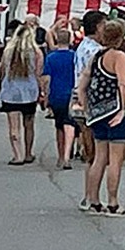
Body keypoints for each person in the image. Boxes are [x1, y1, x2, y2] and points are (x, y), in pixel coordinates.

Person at [78, 18, 125, 215]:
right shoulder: (119, 56)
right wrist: (122, 109)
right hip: (114, 111)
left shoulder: (96, 56)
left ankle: (93, 199)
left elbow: (83, 82)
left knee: (99, 157)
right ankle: (113, 201)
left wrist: (86, 106)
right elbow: (123, 83)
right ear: (120, 38)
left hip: (97, 113)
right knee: (115, 159)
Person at [0, 23, 43, 165]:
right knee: (29, 124)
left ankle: (18, 155)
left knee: (14, 126)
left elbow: (2, 71)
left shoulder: (8, 51)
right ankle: (28, 153)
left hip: (11, 92)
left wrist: (1, 87)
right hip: (29, 92)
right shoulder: (36, 53)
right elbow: (38, 74)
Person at [43, 25, 80, 168]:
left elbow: (46, 78)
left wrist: (46, 96)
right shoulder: (74, 56)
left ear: (57, 40)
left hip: (56, 94)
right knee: (70, 123)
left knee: (59, 126)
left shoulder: (51, 57)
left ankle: (60, 156)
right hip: (71, 94)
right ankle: (67, 155)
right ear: (70, 40)